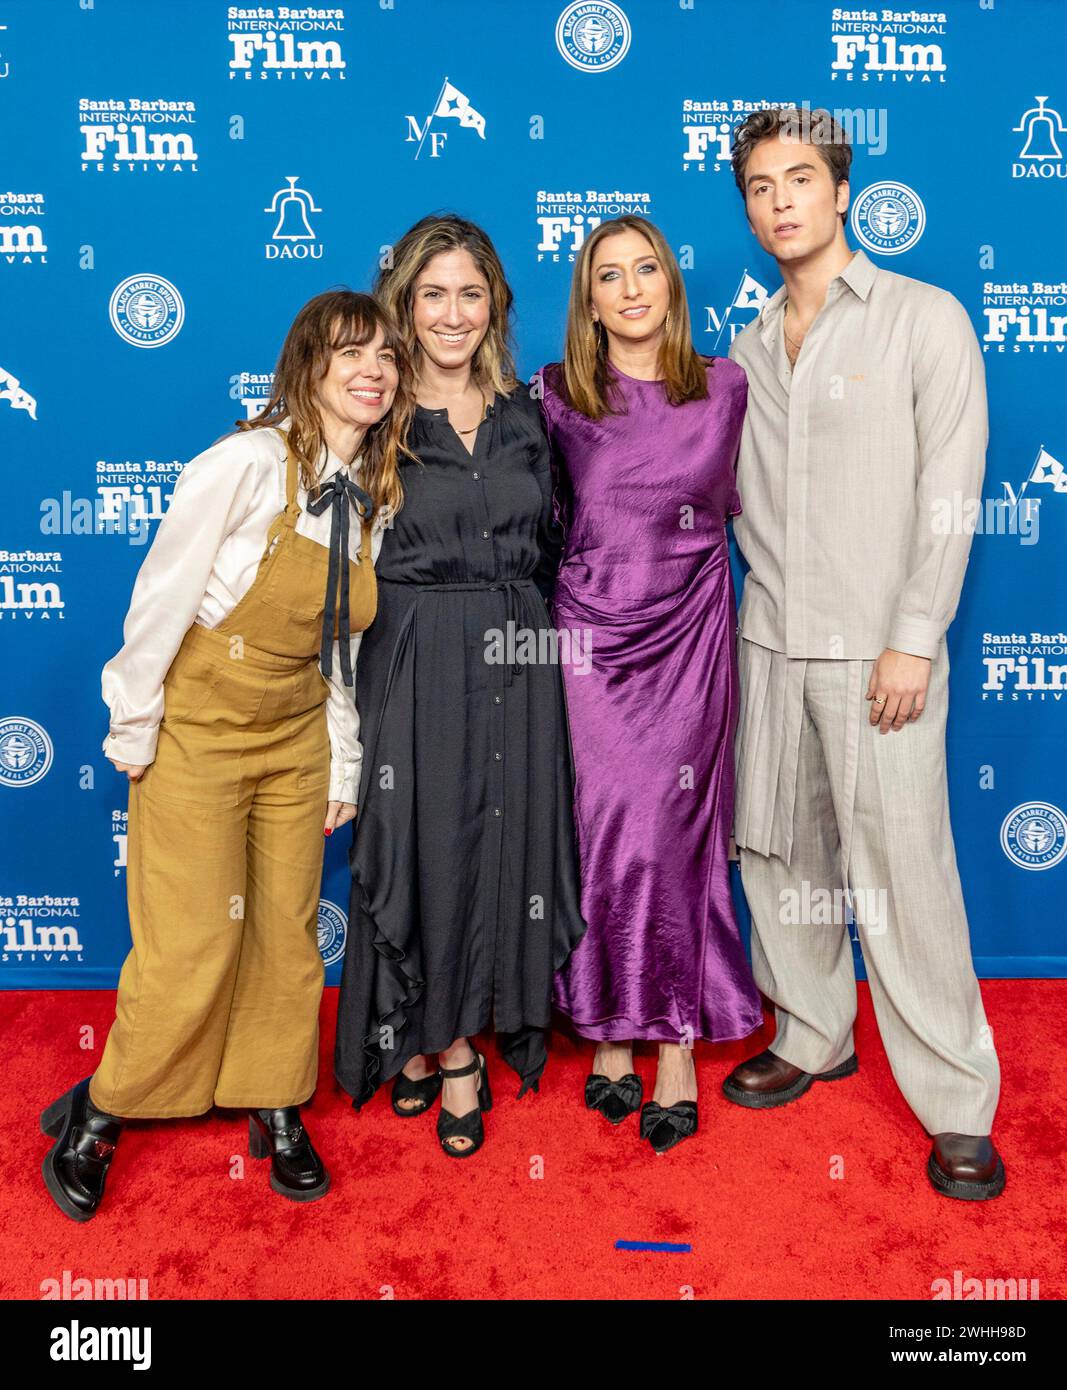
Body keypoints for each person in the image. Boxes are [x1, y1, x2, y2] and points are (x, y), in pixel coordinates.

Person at [39, 290, 411, 1219]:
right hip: (200, 726)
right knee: (192, 941)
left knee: (285, 937)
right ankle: (103, 1105)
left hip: (294, 736)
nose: (373, 372)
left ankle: (275, 1102)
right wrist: (133, 722)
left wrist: (343, 757)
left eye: (387, 358)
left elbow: (339, 649)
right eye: (350, 354)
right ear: (308, 368)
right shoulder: (242, 464)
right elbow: (161, 596)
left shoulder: (374, 493)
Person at [723, 107, 1005, 1200]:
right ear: (745, 208)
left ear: (841, 191)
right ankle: (810, 1031)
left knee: (901, 879)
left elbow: (950, 490)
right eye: (758, 185)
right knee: (779, 856)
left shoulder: (919, 318)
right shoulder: (745, 350)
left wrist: (911, 637)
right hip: (769, 642)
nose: (780, 199)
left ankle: (954, 1099)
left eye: (799, 177)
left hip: (877, 652)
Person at [333, 215, 587, 1158]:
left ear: (496, 306)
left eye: (470, 293)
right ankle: (430, 1043)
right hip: (413, 655)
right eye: (432, 293)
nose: (452, 313)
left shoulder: (533, 414)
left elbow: (565, 540)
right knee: (423, 842)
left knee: (503, 844)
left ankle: (456, 1038)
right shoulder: (373, 414)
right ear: (405, 303)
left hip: (520, 653)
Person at [538, 215, 763, 1155]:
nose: (630, 289)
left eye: (647, 271)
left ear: (671, 284)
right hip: (590, 640)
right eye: (608, 276)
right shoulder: (552, 397)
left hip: (689, 637)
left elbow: (771, 503)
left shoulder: (725, 387)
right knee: (604, 833)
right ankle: (609, 1029)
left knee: (676, 831)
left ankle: (672, 1035)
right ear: (587, 300)